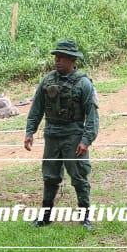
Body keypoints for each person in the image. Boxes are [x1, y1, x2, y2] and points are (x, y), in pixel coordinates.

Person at [23, 40, 100, 227]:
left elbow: (92, 115)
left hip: (73, 136)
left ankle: (84, 217)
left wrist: (86, 140)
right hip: (51, 135)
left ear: (72, 60)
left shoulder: (83, 84)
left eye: (62, 57)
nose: (57, 60)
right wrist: (30, 131)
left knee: (79, 176)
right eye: (56, 57)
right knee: (50, 176)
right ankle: (46, 216)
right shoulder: (47, 80)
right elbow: (37, 108)